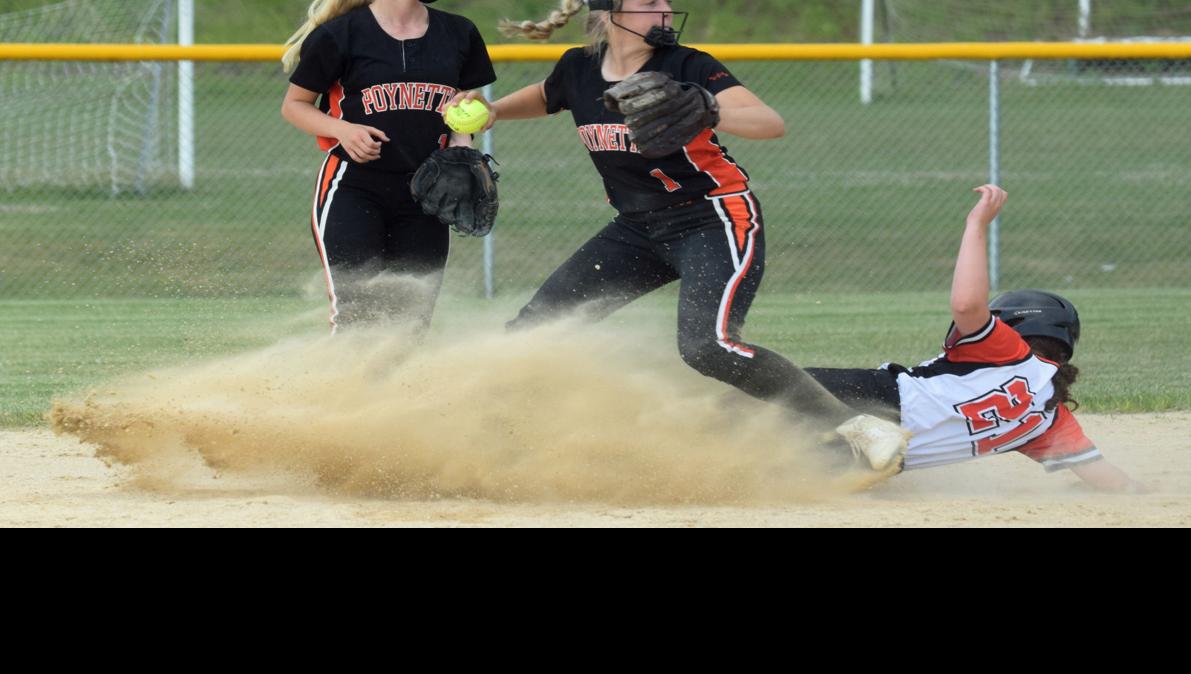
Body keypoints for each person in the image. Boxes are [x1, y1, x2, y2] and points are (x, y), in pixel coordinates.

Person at [457, 0, 910, 472]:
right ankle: (498, 438)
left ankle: (862, 430)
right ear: (610, 12)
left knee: (707, 346)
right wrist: (491, 111)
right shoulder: (579, 67)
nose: (667, 10)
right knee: (534, 331)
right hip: (636, 229)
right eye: (650, 3)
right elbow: (548, 94)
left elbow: (769, 123)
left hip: (714, 219)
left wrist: (708, 108)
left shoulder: (688, 66)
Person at [804, 186, 1144, 492]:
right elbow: (1106, 477)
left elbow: (967, 306)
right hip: (872, 464)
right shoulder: (1048, 420)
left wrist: (976, 225)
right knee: (777, 465)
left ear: (1014, 324)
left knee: (764, 380)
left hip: (878, 398)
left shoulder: (1010, 353)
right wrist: (1138, 490)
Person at [280, 0, 497, 333]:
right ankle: (343, 384)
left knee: (412, 316)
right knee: (357, 312)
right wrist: (343, 129)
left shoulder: (458, 32)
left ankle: (399, 386)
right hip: (353, 188)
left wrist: (460, 142)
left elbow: (461, 108)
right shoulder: (340, 34)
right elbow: (294, 106)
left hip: (427, 193)